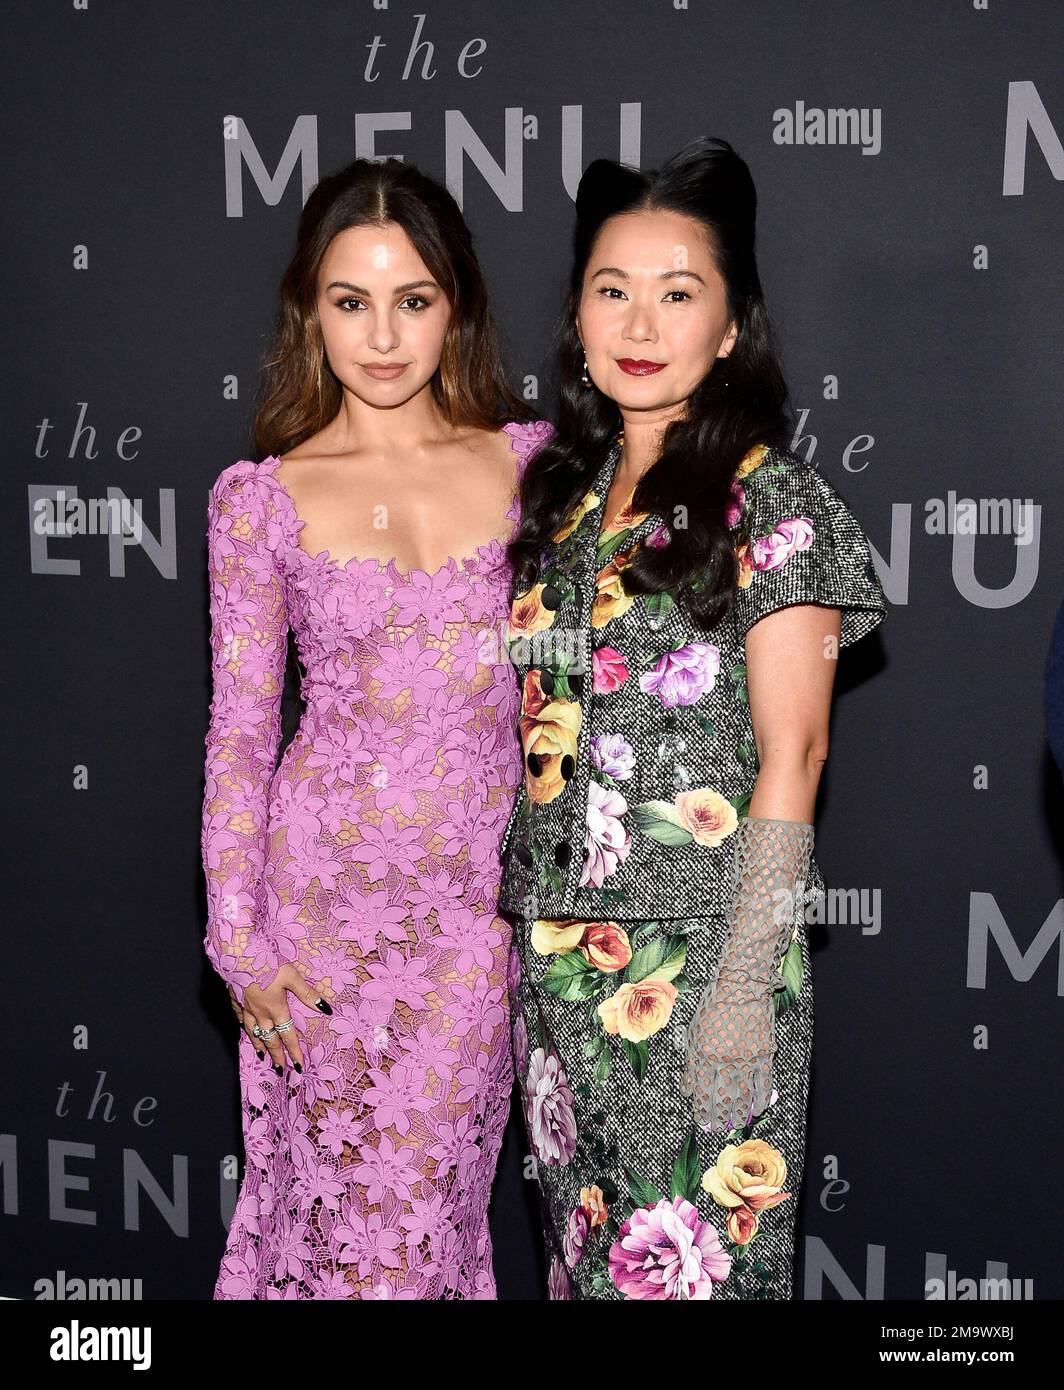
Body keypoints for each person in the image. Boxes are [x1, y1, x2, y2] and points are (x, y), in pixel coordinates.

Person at [499, 136, 888, 1300]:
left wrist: (739, 991)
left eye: (678, 294)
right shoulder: (558, 500)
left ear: (729, 329)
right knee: (585, 1268)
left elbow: (797, 750)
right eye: (611, 288)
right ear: (575, 311)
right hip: (558, 972)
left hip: (702, 966)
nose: (639, 320)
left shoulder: (772, 498)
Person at [200, 155, 554, 1299]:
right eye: (351, 301)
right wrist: (234, 933)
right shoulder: (261, 498)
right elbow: (242, 733)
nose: (384, 336)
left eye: (413, 299)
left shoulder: (531, 469)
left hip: (469, 932)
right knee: (337, 1226)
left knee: (417, 1227)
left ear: (457, 306)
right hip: (318, 925)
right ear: (311, 311)